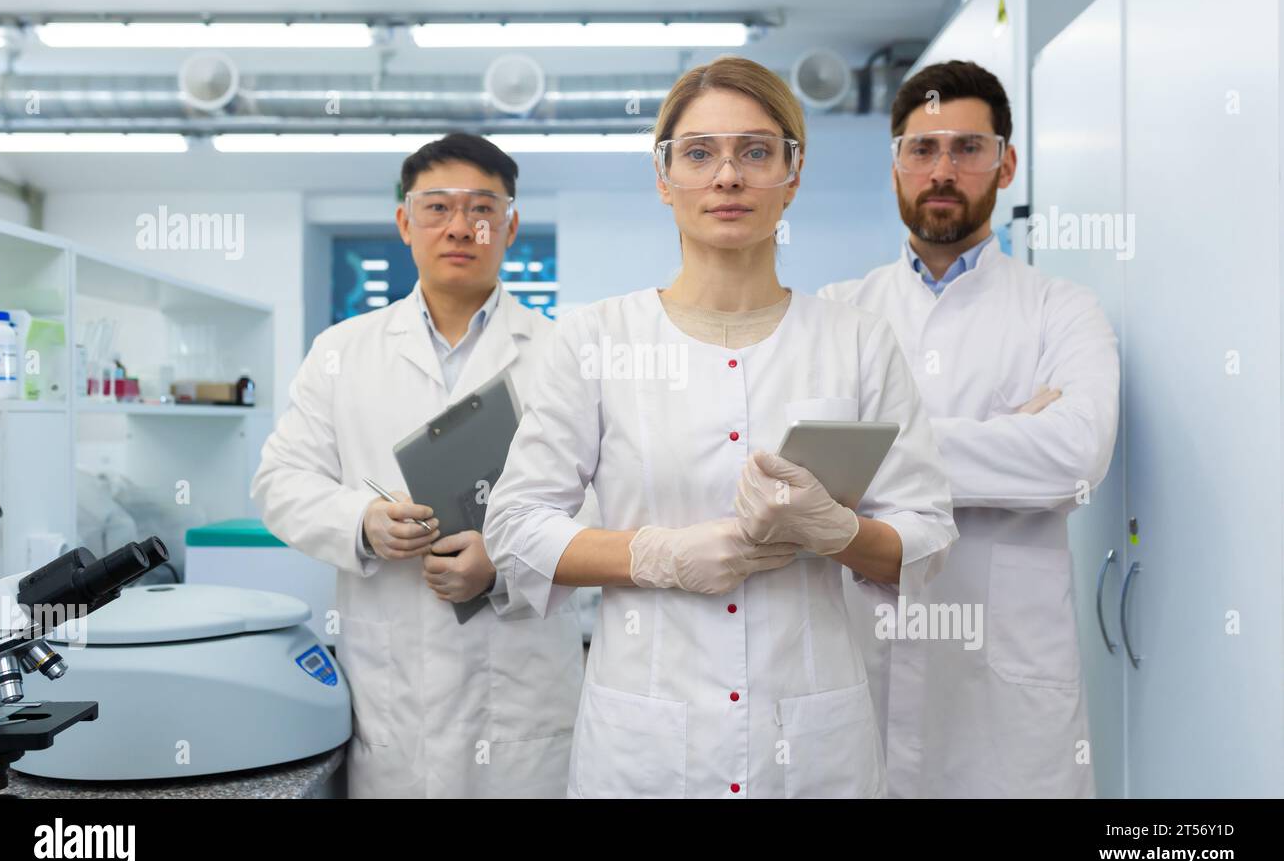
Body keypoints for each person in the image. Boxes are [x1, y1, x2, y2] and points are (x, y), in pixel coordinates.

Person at [482, 56, 956, 798]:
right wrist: (659, 555)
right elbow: (514, 527)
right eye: (700, 153)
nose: (728, 176)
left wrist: (839, 532)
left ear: (793, 175)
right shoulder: (595, 339)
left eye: (756, 152)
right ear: (663, 177)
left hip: (810, 739)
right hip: (645, 742)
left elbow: (926, 536)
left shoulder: (858, 341)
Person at [819, 60, 1120, 798]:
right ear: (895, 164)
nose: (942, 170)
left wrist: (880, 446)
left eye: (967, 148)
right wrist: (1007, 434)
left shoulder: (1063, 308)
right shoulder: (837, 313)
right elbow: (813, 470)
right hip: (864, 662)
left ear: (1006, 162)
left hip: (1007, 686)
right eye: (922, 150)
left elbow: (1075, 457)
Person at [251, 133, 584, 798]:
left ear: (510, 225)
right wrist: (363, 521)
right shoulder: (342, 351)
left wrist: (505, 559)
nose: (460, 226)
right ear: (405, 222)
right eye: (437, 207)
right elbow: (279, 481)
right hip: (396, 687)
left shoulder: (565, 353)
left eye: (482, 207)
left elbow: (606, 500)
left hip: (524, 687)